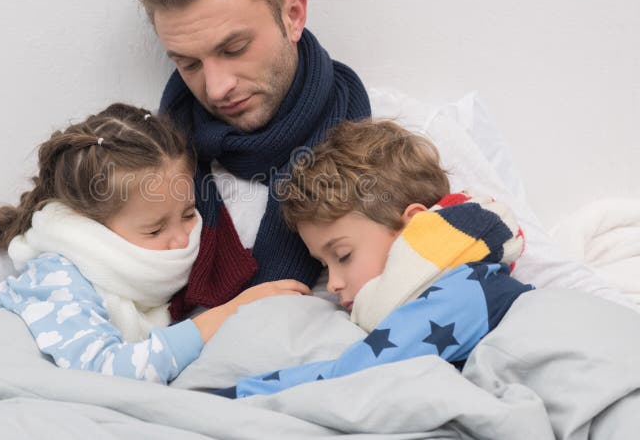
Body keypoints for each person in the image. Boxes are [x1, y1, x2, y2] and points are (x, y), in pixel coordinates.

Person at [0, 103, 310, 384]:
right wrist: (227, 313)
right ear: (90, 226)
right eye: (154, 230)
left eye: (188, 213)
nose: (182, 239)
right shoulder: (57, 278)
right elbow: (107, 373)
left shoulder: (151, 277)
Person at [137, 0, 371, 318]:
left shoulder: (402, 138)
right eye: (189, 64)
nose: (215, 88)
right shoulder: (151, 166)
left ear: (293, 16)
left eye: (234, 49)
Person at [213, 120, 534, 398]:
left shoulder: (460, 291)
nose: (334, 284)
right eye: (324, 266)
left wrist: (237, 395)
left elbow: (355, 376)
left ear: (414, 226)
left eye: (343, 255)